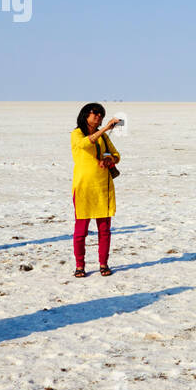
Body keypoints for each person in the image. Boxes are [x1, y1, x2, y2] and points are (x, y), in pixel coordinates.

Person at [71, 103, 122, 277]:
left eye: (101, 114)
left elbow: (117, 155)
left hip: (102, 186)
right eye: (95, 113)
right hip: (84, 187)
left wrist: (109, 160)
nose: (99, 116)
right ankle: (80, 265)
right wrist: (106, 128)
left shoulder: (104, 138)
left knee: (104, 229)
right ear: (86, 114)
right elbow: (86, 144)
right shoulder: (76, 134)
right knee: (81, 231)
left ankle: (103, 264)